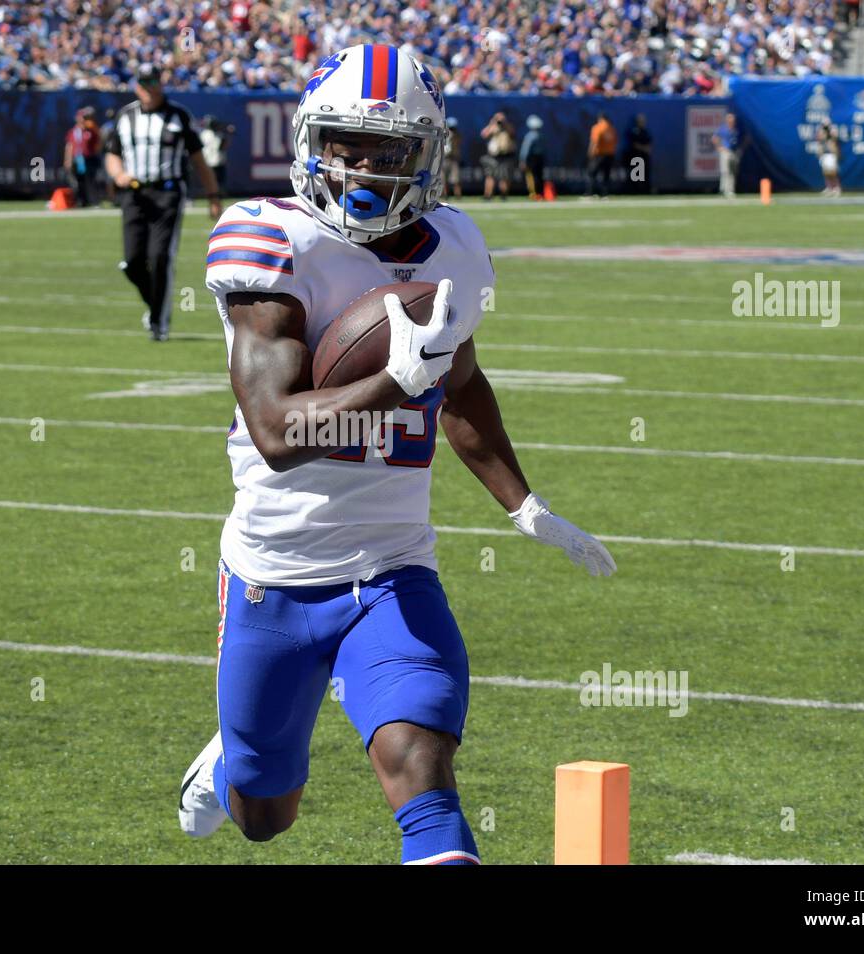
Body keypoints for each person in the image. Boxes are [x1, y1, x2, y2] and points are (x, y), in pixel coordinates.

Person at [178, 43, 617, 864]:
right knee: (265, 816)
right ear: (309, 141)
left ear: (427, 156)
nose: (360, 168)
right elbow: (275, 431)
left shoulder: (453, 246)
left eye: (386, 152)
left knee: (421, 766)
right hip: (275, 573)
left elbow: (464, 385)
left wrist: (525, 505)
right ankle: (233, 757)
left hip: (392, 568)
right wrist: (397, 379)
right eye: (343, 145)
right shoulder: (271, 238)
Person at [104, 63, 223, 341]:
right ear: (136, 86)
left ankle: (159, 322)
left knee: (160, 257)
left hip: (167, 193)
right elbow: (112, 153)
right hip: (134, 194)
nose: (148, 88)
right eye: (143, 83)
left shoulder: (178, 115)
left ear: (161, 83)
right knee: (132, 262)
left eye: (153, 82)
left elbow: (198, 159)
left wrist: (213, 196)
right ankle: (154, 305)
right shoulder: (126, 115)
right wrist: (118, 174)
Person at [64, 107, 102, 208]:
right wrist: (68, 160)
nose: (83, 120)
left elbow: (98, 142)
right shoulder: (73, 131)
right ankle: (81, 202)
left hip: (88, 158)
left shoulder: (91, 130)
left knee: (90, 180)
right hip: (77, 159)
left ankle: (94, 201)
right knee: (78, 181)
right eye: (81, 117)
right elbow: (69, 146)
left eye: (84, 118)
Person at [480, 111, 517, 200]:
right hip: (493, 156)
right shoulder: (493, 127)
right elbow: (484, 135)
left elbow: (513, 133)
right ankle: (488, 196)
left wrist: (505, 123)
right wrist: (492, 123)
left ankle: (503, 195)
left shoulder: (508, 127)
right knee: (490, 176)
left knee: (504, 177)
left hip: (506, 156)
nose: (499, 121)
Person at [199, 115, 235, 195]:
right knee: (216, 182)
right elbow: (221, 147)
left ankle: (215, 194)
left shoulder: (204, 134)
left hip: (211, 161)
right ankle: (215, 195)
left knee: (216, 182)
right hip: (213, 161)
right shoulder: (212, 134)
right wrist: (229, 134)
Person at [586, 111, 617, 198]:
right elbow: (615, 142)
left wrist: (590, 153)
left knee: (592, 174)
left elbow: (595, 142)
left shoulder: (597, 127)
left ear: (600, 118)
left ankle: (590, 193)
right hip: (610, 155)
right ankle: (605, 193)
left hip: (599, 154)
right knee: (606, 175)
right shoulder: (611, 128)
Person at [712, 112, 742, 199]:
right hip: (725, 151)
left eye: (732, 119)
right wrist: (719, 147)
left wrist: (741, 149)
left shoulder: (736, 129)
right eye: (729, 118)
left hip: (734, 152)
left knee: (732, 172)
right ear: (726, 120)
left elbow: (745, 138)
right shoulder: (723, 129)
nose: (731, 120)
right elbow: (714, 138)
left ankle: (730, 190)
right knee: (725, 171)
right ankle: (724, 190)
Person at [519, 115, 546, 200]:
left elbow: (525, 149)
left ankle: (534, 194)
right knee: (539, 176)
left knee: (532, 176)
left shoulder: (530, 136)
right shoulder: (541, 135)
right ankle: (540, 193)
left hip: (531, 159)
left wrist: (522, 160)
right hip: (540, 158)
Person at [625, 114, 653, 194]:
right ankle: (634, 191)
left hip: (644, 157)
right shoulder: (634, 131)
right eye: (640, 121)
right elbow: (634, 144)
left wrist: (645, 148)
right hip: (636, 157)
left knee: (645, 175)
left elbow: (649, 145)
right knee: (635, 176)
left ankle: (646, 190)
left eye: (643, 121)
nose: (642, 123)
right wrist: (643, 148)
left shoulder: (646, 132)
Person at [817, 121, 842, 197]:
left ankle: (837, 188)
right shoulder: (822, 136)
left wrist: (829, 128)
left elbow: (835, 137)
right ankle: (829, 188)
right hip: (825, 155)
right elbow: (819, 139)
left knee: (833, 173)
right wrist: (820, 155)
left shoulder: (831, 136)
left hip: (831, 155)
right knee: (826, 173)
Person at [443, 116, 463, 199]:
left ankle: (458, 196)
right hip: (444, 158)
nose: (452, 129)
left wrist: (453, 135)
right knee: (443, 178)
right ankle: (445, 195)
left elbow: (458, 142)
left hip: (453, 158)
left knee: (456, 179)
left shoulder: (456, 135)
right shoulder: (443, 133)